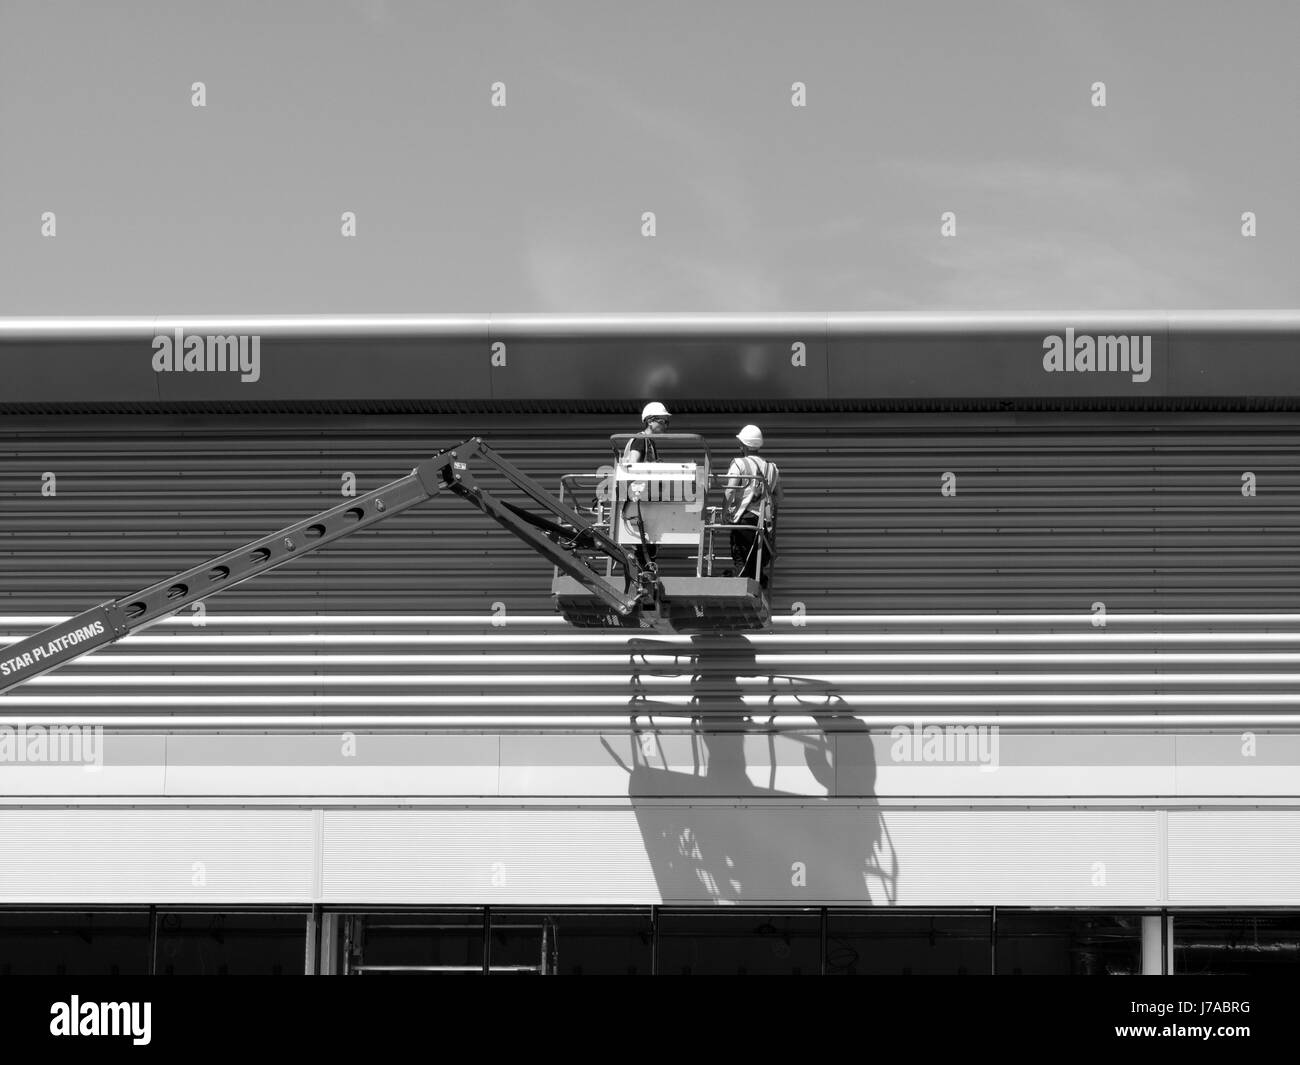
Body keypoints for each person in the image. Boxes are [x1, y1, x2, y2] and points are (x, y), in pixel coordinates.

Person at [724, 424, 781, 587]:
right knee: (756, 560)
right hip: (763, 523)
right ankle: (759, 583)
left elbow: (730, 491)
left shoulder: (739, 463)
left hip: (743, 520)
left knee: (742, 558)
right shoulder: (772, 468)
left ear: (744, 445)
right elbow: (780, 496)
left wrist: (725, 512)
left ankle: (743, 586)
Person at [622, 402, 672, 569]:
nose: (666, 426)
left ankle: (645, 570)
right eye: (663, 421)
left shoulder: (649, 442)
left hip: (643, 499)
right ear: (650, 421)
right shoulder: (640, 440)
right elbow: (632, 464)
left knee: (648, 547)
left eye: (666, 422)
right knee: (644, 547)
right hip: (637, 499)